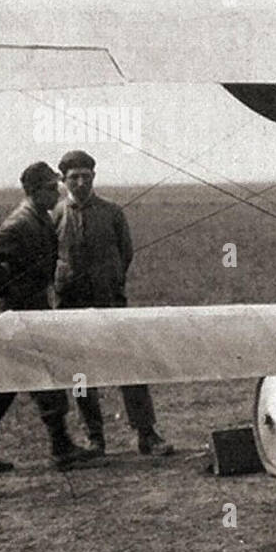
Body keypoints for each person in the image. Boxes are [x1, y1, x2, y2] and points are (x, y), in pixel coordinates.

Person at [0, 162, 97, 472]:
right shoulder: (22, 222)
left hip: (29, 310)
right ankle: (60, 446)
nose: (58, 192)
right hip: (23, 312)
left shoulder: (37, 217)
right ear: (34, 191)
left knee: (7, 381)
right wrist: (11, 290)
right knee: (44, 374)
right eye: (51, 188)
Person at [53, 150, 174, 456]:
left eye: (86, 176)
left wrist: (110, 283)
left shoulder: (112, 213)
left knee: (129, 365)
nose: (80, 182)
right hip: (70, 307)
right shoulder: (54, 216)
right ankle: (95, 438)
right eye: (74, 177)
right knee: (80, 375)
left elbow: (126, 253)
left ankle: (147, 433)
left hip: (109, 303)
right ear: (63, 180)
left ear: (94, 177)